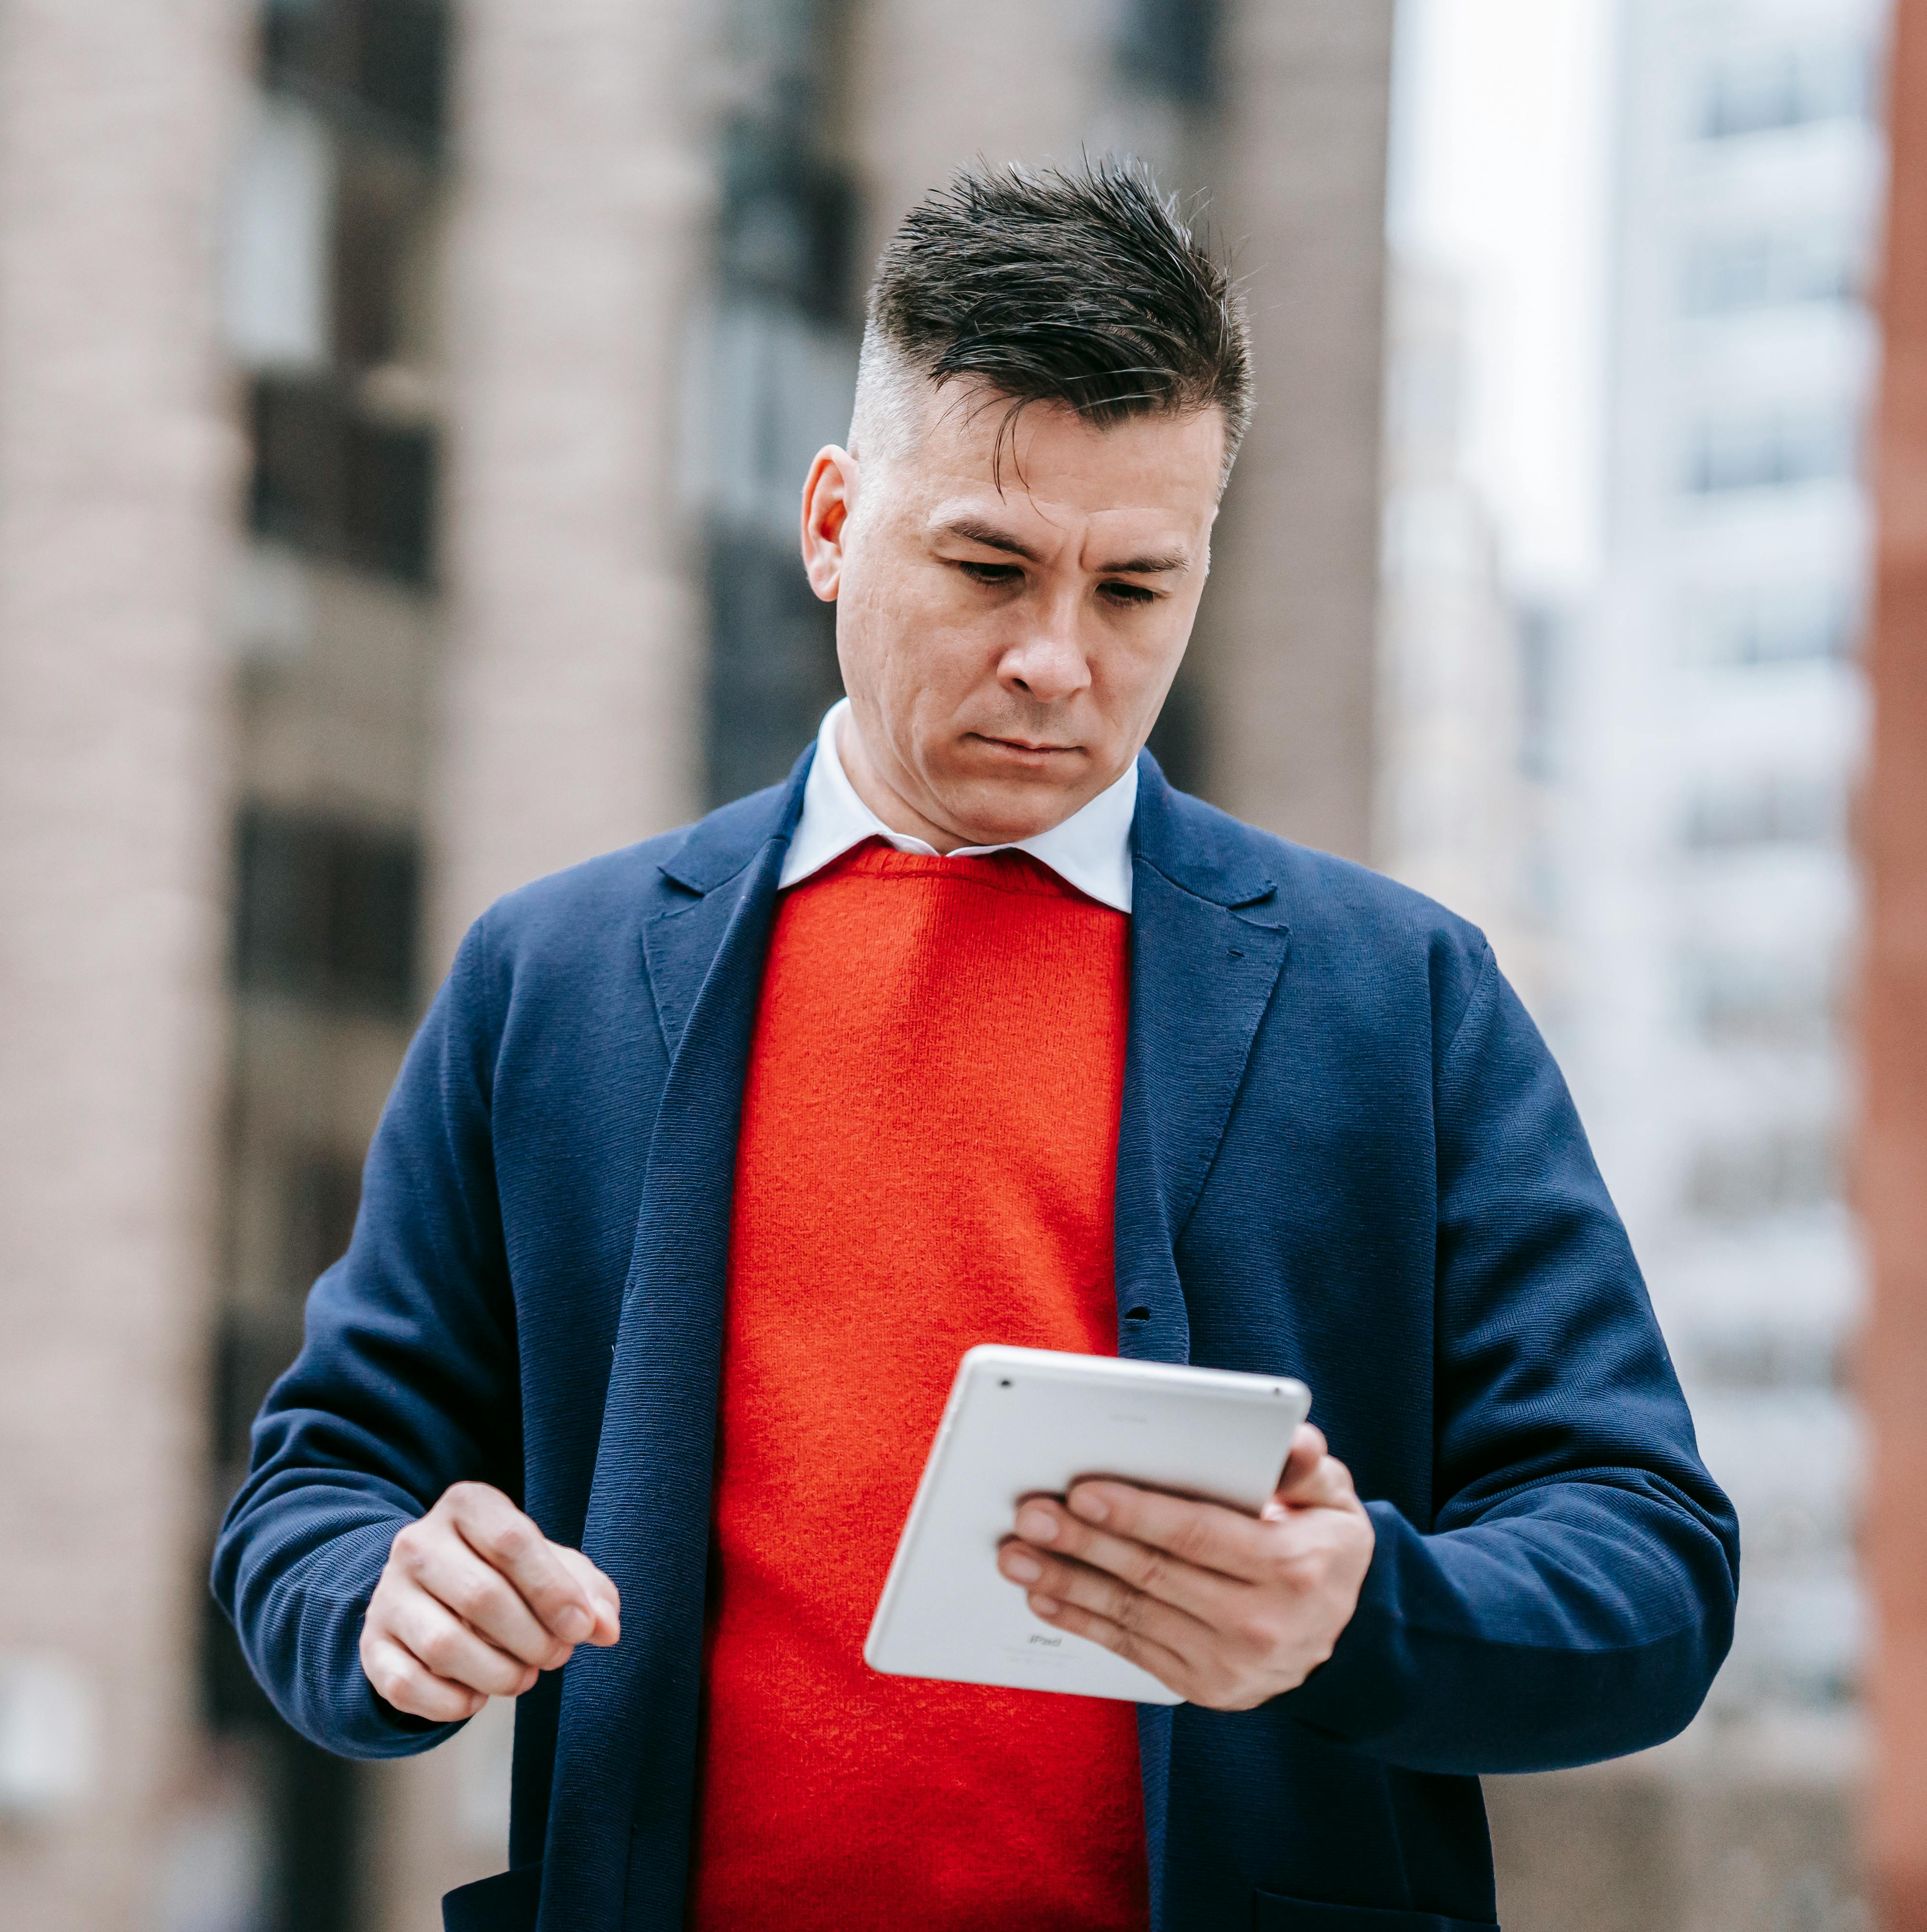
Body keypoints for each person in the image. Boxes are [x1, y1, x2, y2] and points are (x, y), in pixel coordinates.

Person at [211, 160, 1736, 1932]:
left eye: (1135, 591)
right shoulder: (548, 980)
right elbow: (316, 1489)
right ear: (834, 522)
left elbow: (1652, 1566)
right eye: (990, 565)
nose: (1056, 662)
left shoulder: (1395, 999)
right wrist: (380, 1602)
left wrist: (1359, 1612)